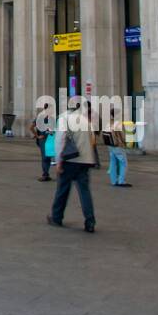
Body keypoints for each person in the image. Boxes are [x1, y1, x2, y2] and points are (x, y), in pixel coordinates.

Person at [47, 99, 97, 232]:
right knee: (84, 192)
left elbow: (60, 140)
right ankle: (90, 221)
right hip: (85, 161)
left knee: (62, 190)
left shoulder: (65, 118)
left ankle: (57, 217)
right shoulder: (85, 120)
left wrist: (58, 161)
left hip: (69, 160)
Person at [107, 118, 132, 188]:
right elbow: (123, 136)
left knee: (113, 163)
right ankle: (121, 181)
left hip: (110, 146)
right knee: (123, 163)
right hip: (118, 146)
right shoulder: (118, 124)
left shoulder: (108, 123)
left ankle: (113, 181)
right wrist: (126, 141)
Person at [31, 107, 53, 181]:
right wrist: (37, 136)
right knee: (45, 157)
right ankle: (45, 174)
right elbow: (31, 127)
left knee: (48, 157)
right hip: (43, 140)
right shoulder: (40, 117)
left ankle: (46, 174)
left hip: (49, 139)